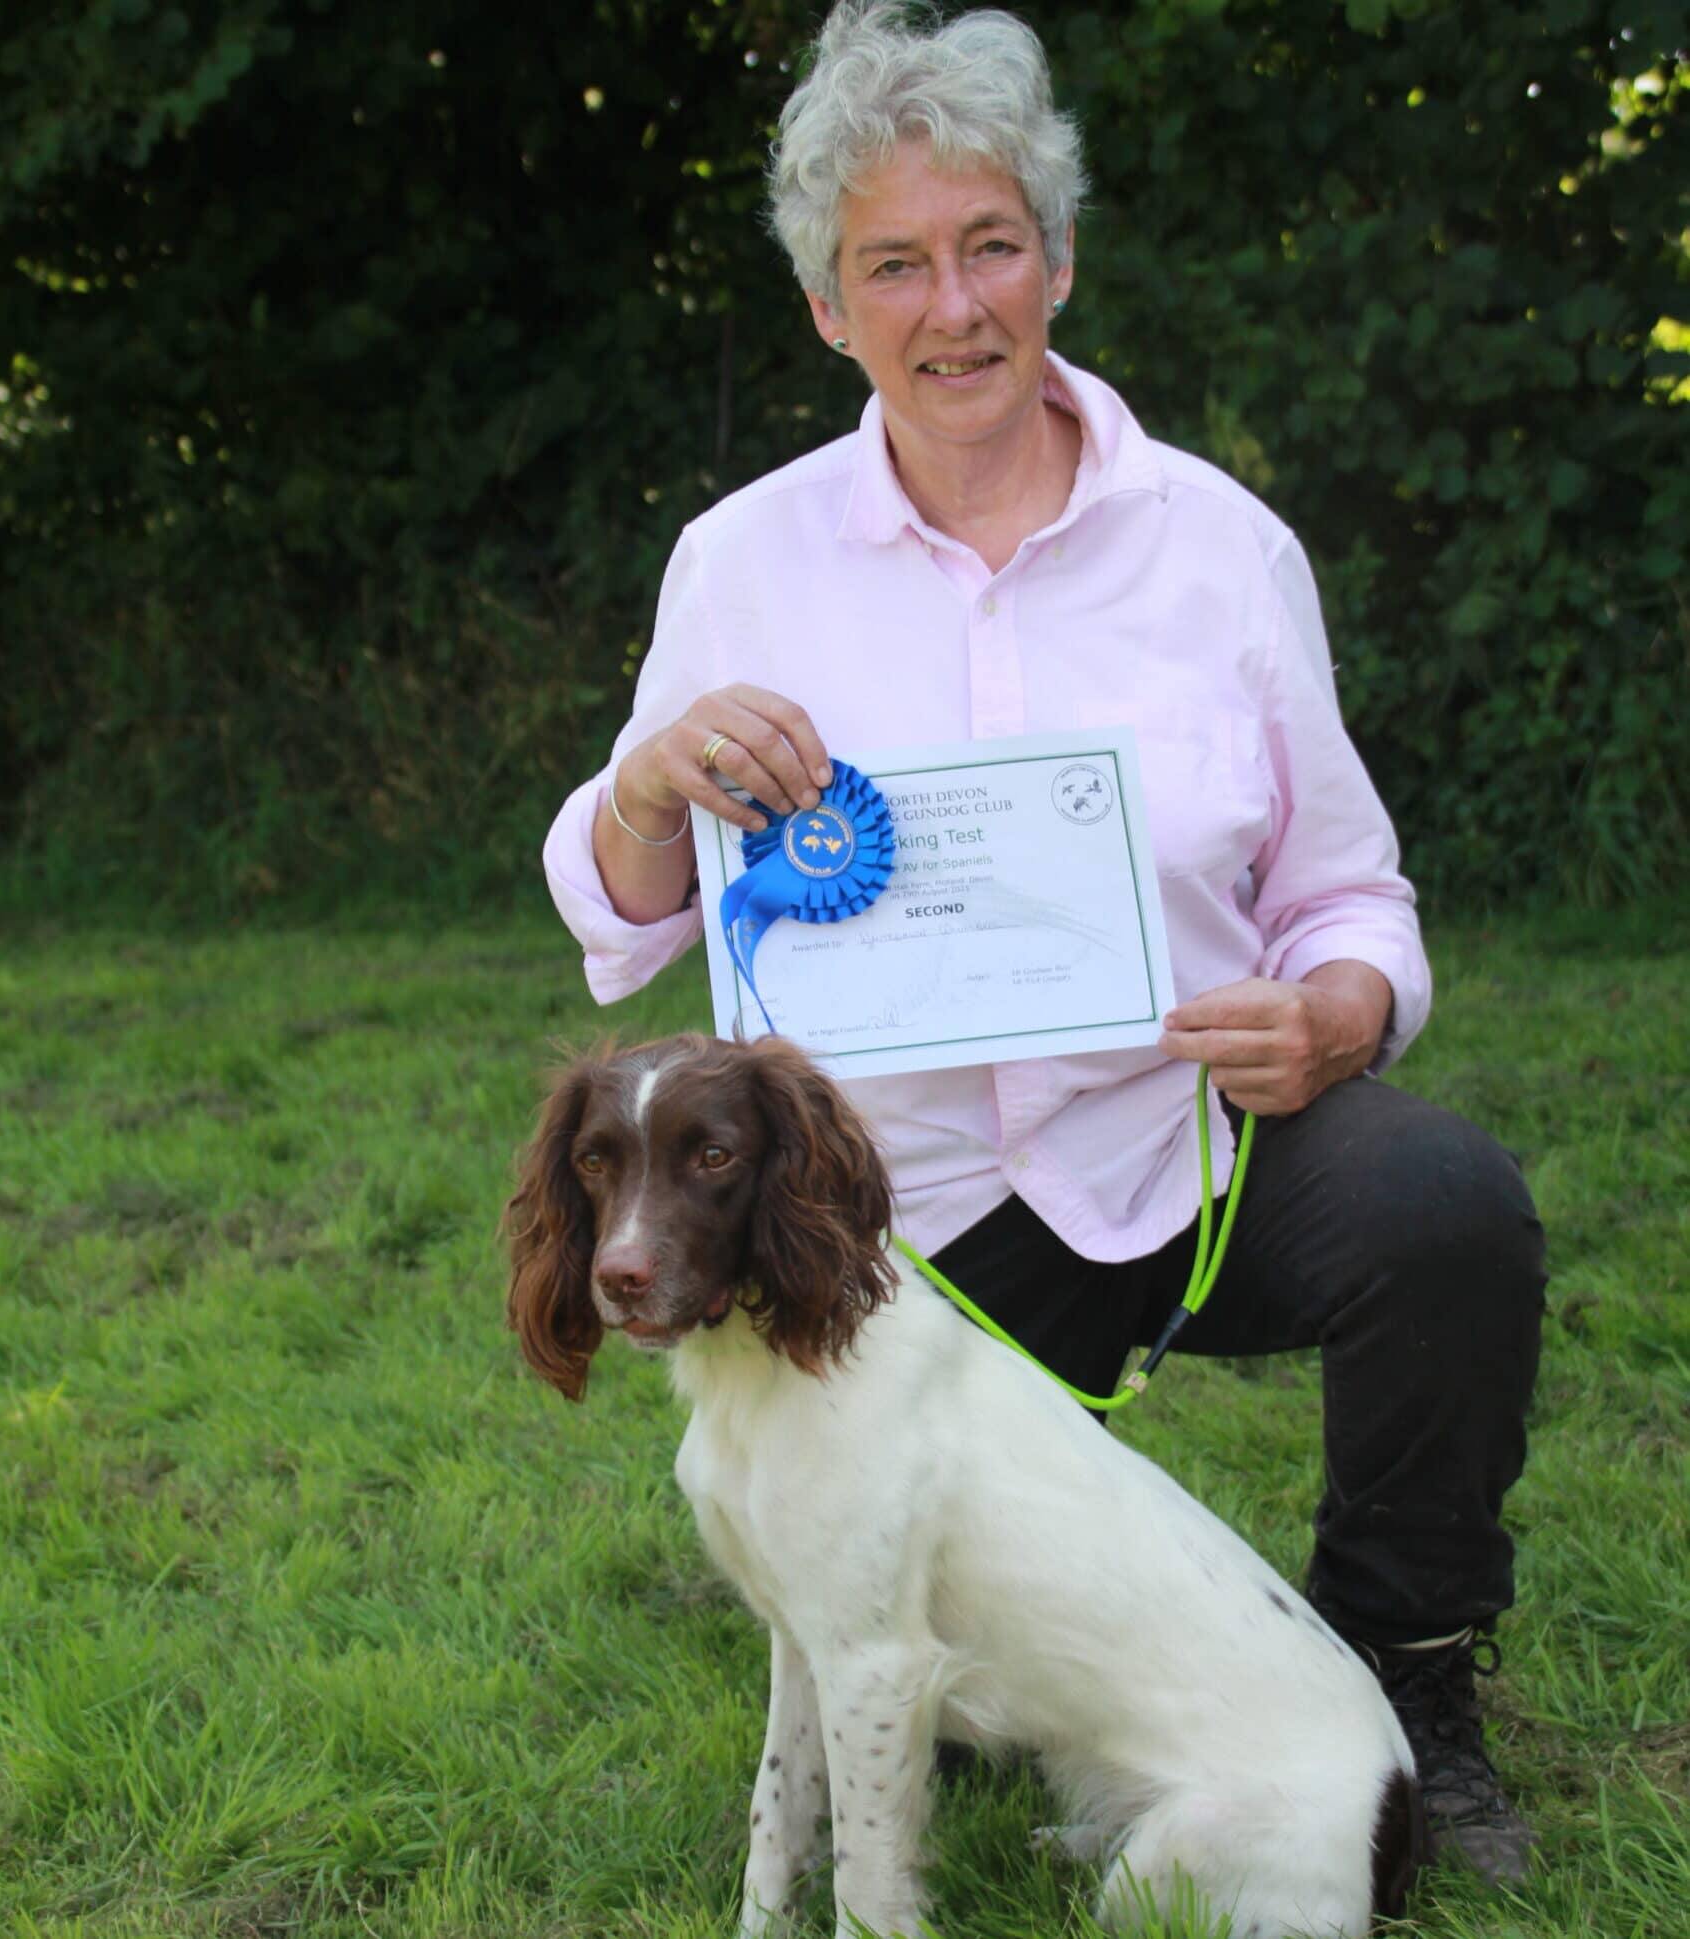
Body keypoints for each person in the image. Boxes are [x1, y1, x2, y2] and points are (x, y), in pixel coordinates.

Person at [542, 0, 1545, 1885]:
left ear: (1059, 261)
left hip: (1174, 1157)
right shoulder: (741, 562)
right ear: (828, 308)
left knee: (1445, 1210)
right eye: (893, 265)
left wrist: (1338, 1009)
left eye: (991, 246)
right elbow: (619, 911)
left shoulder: (1224, 550)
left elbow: (1353, 895)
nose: (955, 307)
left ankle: (1409, 1689)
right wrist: (652, 782)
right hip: (880, 1221)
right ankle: (967, 1670)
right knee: (916, 1641)